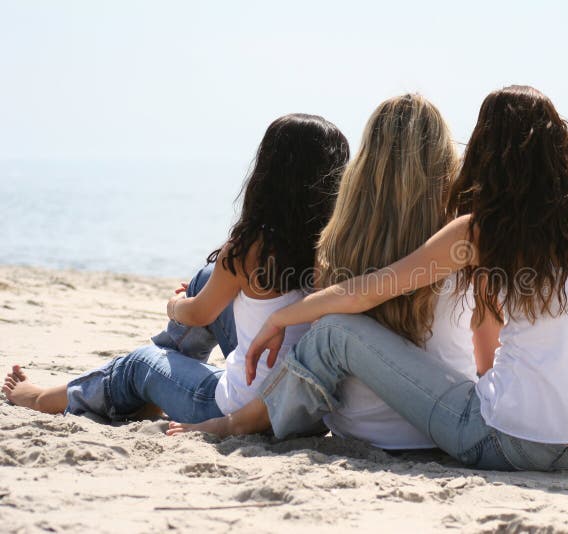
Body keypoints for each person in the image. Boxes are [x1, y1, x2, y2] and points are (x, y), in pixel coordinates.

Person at [237, 85, 568, 472]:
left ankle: (242, 422)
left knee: (335, 331)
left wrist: (280, 317)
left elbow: (361, 295)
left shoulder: (480, 233)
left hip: (508, 444)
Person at [168, 94, 502, 447]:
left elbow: (319, 348)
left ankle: (180, 356)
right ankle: (196, 364)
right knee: (210, 281)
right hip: (440, 425)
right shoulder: (465, 239)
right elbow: (487, 358)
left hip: (357, 428)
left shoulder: (340, 238)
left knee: (204, 291)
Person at [3, 113, 349, 431]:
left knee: (138, 363)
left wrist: (174, 304)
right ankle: (145, 390)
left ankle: (42, 399)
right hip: (307, 414)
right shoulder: (337, 247)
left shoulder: (251, 249)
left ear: (268, 175)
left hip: (238, 411)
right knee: (205, 278)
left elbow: (198, 313)